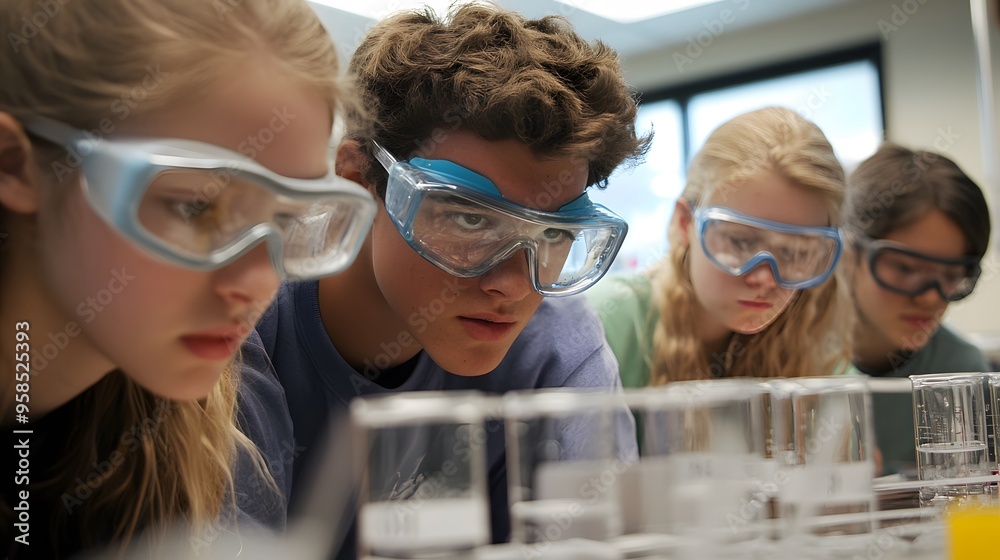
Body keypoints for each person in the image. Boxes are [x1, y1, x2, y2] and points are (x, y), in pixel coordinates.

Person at [250, 4, 649, 557]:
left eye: (555, 234)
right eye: (469, 219)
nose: (514, 285)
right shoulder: (241, 312)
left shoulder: (557, 348)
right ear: (358, 181)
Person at [0, 0, 376, 557]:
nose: (257, 283)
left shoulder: (188, 446)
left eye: (285, 219)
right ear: (14, 164)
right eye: (194, 207)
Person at [586, 106, 854, 387]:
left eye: (793, 252)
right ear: (684, 223)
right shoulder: (602, 323)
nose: (765, 279)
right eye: (740, 241)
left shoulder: (814, 345)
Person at [844, 143, 991, 475]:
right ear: (847, 252)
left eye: (952, 276)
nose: (930, 299)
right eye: (906, 268)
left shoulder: (960, 373)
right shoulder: (791, 359)